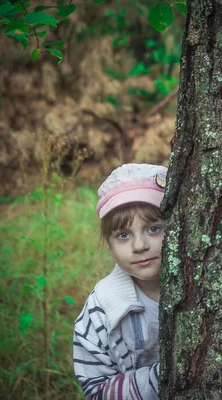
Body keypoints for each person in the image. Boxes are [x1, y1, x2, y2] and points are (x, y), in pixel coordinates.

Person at [73, 163, 168, 400]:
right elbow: (96, 391)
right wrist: (166, 376)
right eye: (123, 235)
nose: (140, 246)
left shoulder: (203, 286)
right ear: (109, 245)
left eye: (154, 228)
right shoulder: (101, 309)